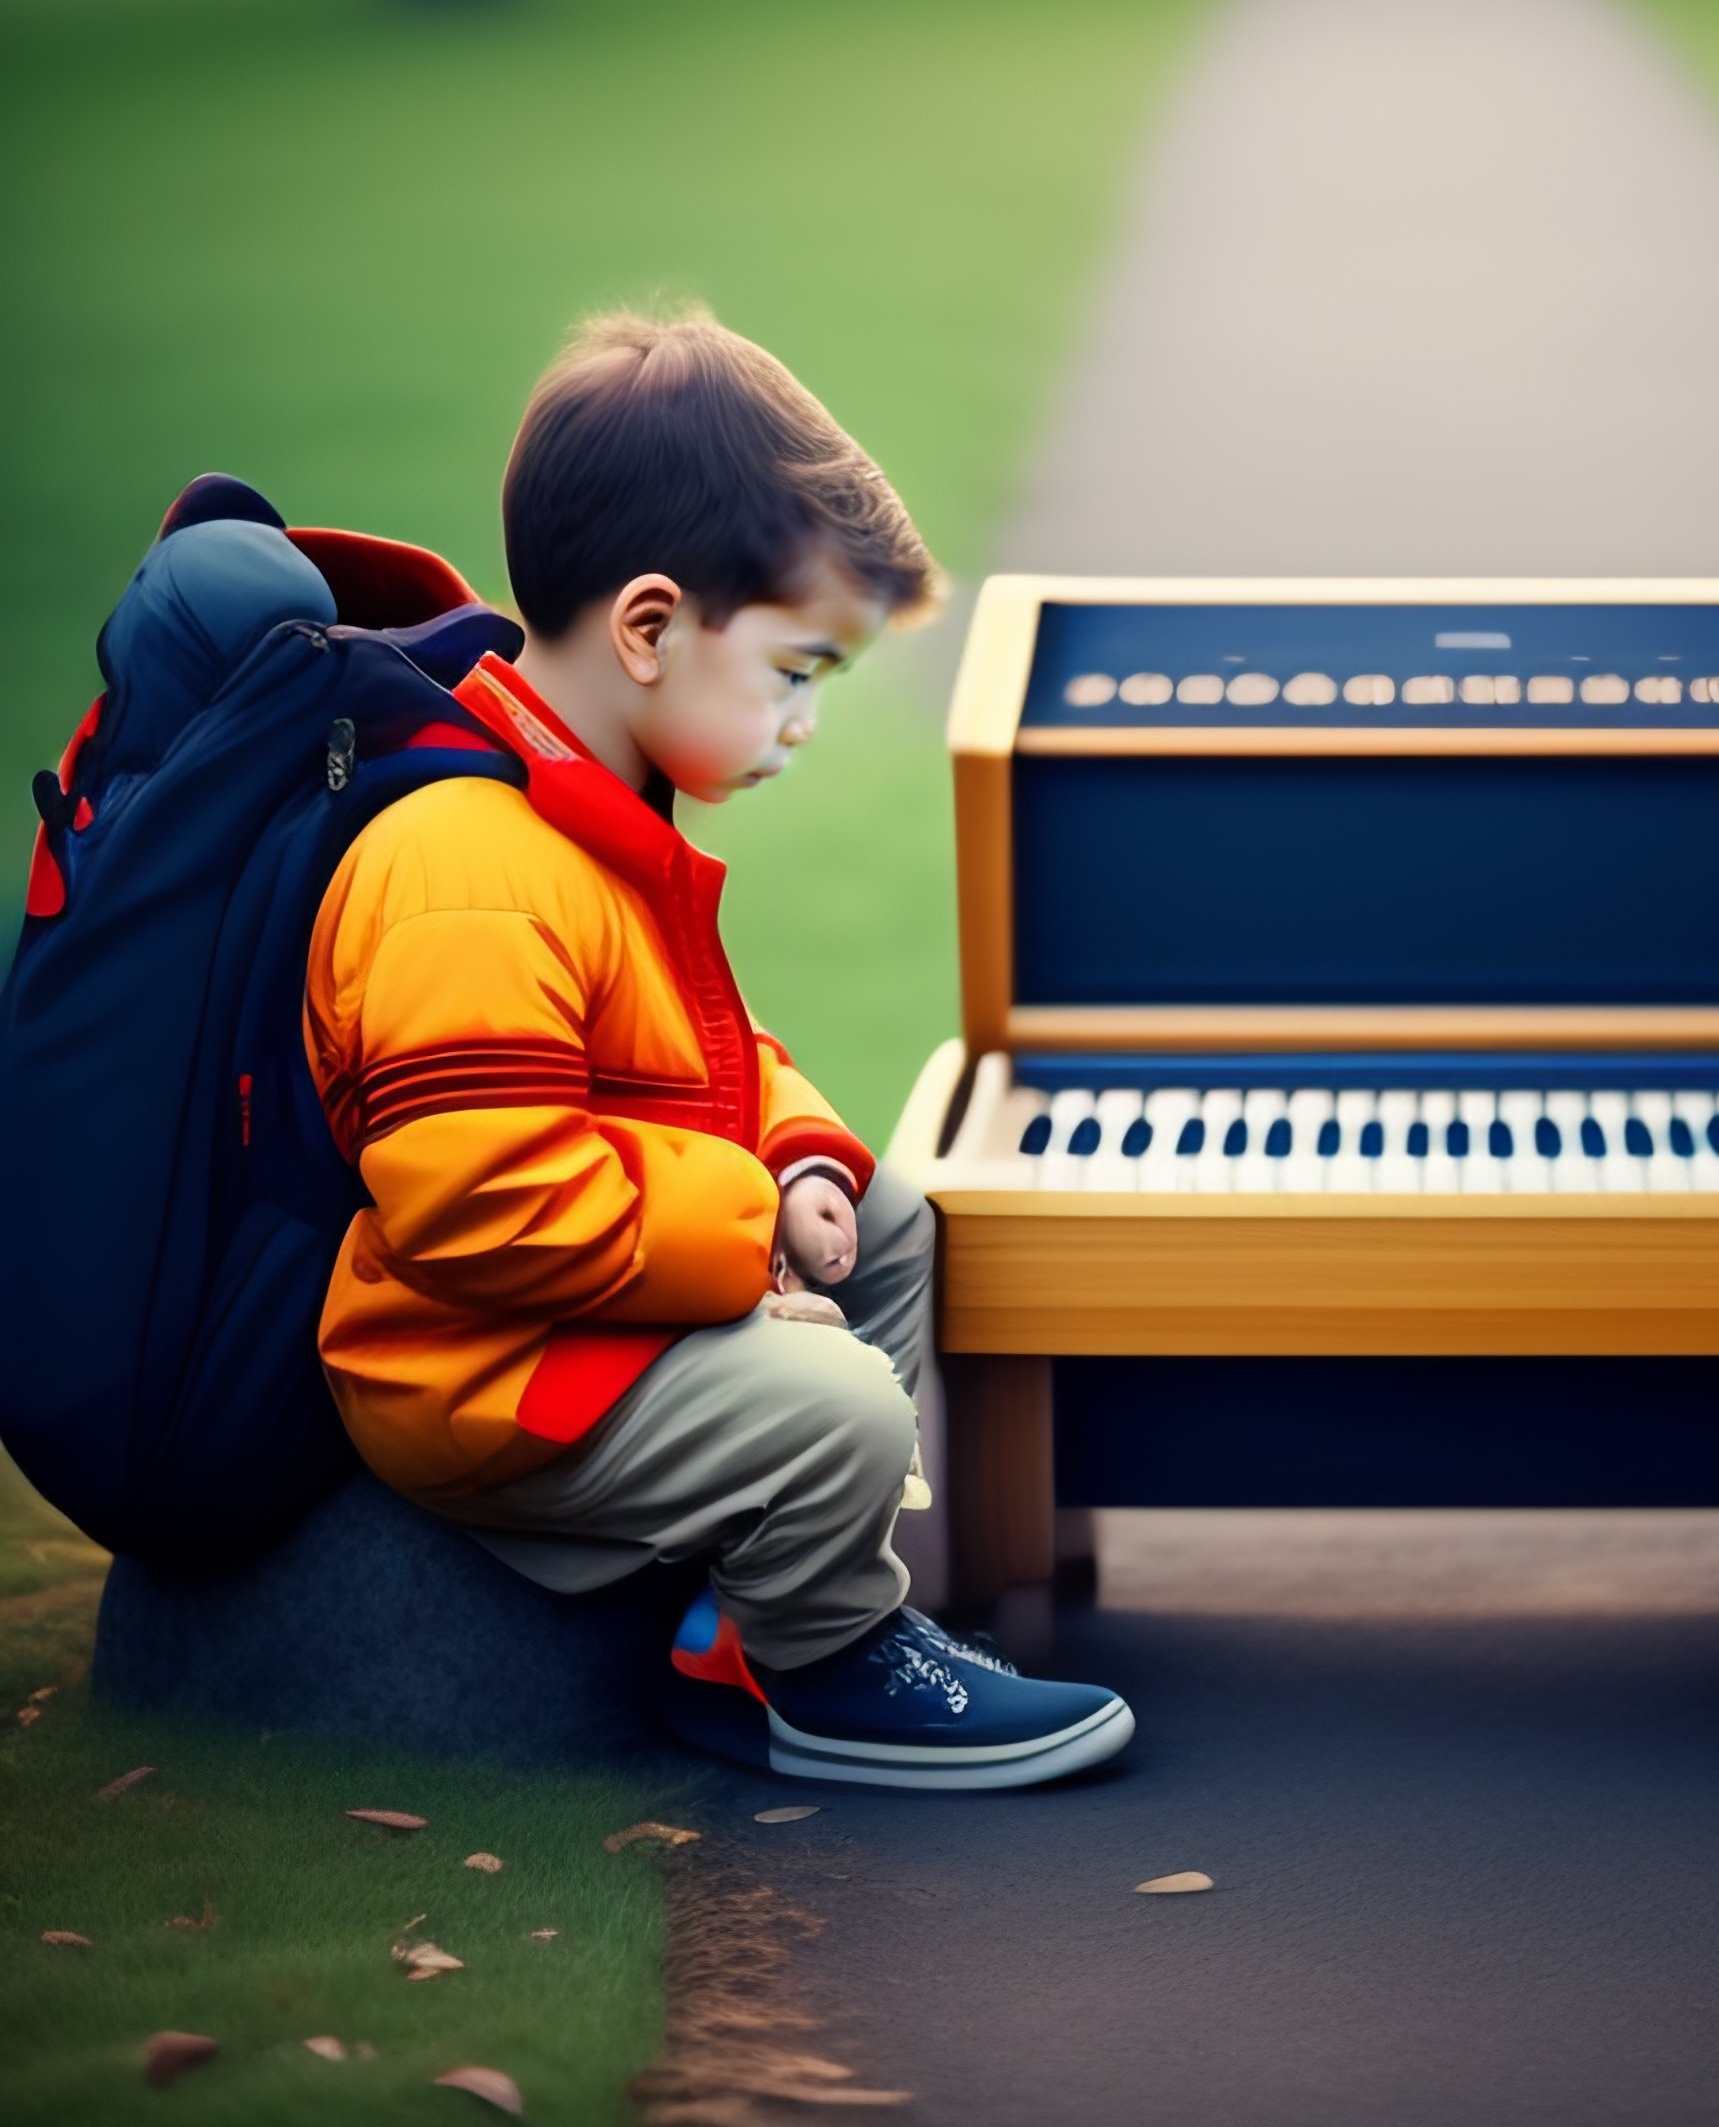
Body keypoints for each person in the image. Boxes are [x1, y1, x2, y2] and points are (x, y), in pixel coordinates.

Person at [303, 310, 1133, 1790]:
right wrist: (748, 1248)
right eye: (796, 672)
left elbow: (713, 1059)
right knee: (842, 1403)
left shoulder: (595, 827)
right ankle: (822, 1675)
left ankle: (748, 1613)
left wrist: (795, 1155)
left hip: (580, 1314)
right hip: (484, 1376)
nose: (806, 724)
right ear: (648, 629)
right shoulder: (468, 869)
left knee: (881, 1222)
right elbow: (481, 1200)